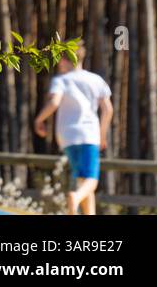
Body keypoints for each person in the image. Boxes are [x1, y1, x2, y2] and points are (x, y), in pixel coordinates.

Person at [34, 42, 112, 215]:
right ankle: (75, 197)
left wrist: (39, 120)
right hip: (88, 134)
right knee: (91, 180)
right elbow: (108, 109)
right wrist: (103, 135)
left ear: (63, 60)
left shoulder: (61, 80)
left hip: (66, 136)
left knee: (83, 179)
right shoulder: (95, 80)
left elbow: (54, 103)